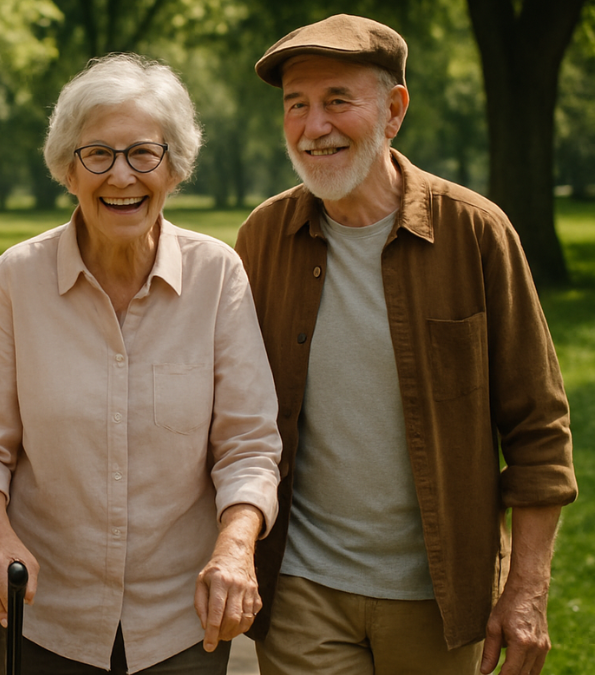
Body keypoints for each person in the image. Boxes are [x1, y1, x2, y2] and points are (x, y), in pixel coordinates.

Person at [235, 14, 579, 675]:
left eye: (338, 100)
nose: (314, 126)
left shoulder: (476, 233)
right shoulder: (262, 239)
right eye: (296, 105)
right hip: (304, 586)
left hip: (442, 598)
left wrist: (527, 590)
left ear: (394, 111)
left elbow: (539, 429)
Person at [0, 54, 283, 675]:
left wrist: (236, 550)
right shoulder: (17, 279)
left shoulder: (217, 275)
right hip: (45, 618)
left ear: (174, 166)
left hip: (183, 621)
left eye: (143, 154)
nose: (120, 176)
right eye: (96, 154)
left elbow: (249, 446)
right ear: (67, 170)